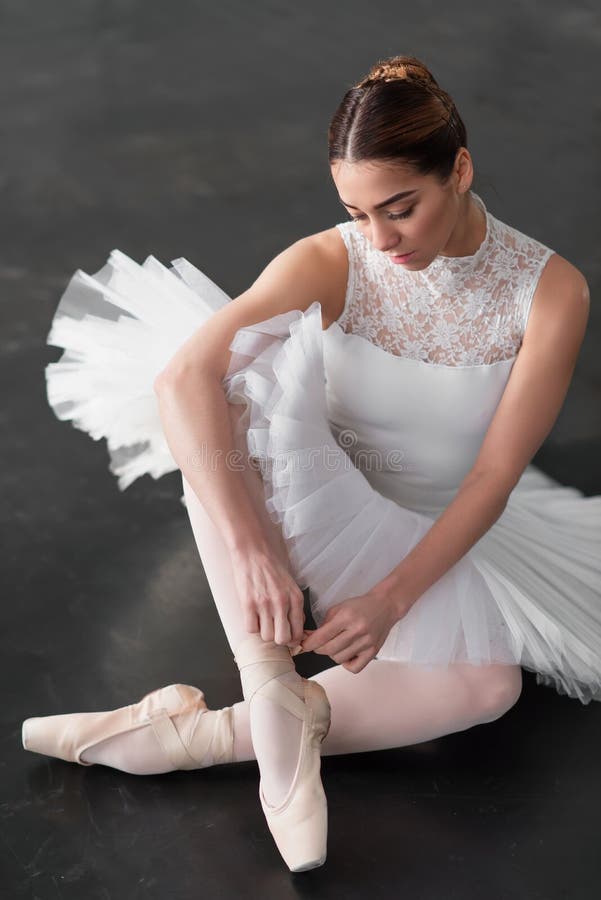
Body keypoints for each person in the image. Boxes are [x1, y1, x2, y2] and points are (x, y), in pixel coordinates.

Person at [21, 54, 598, 873]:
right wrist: (254, 549)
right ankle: (277, 733)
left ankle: (189, 737)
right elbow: (181, 377)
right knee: (225, 409)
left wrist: (392, 600)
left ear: (460, 169)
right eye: (357, 212)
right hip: (306, 486)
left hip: (427, 521)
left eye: (401, 208)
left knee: (487, 690)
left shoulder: (550, 293)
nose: (380, 239)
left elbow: (491, 479)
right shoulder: (335, 259)